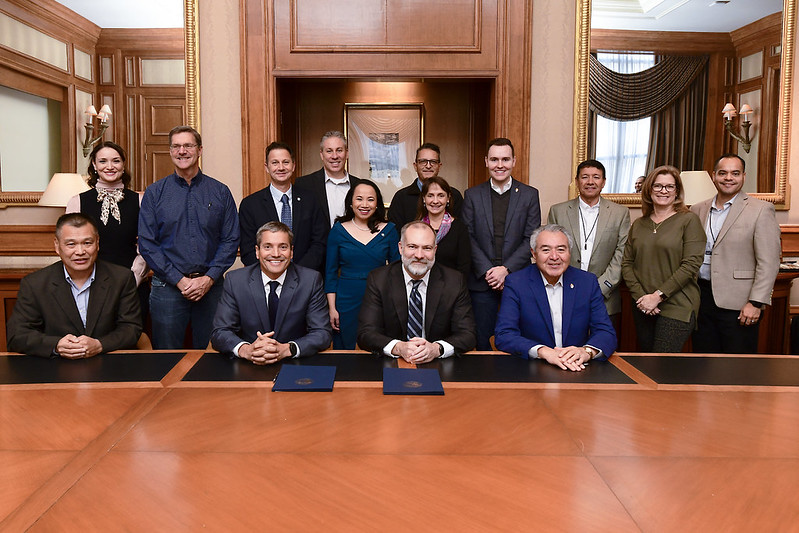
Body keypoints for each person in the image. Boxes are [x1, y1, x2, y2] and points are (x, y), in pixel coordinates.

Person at [138, 125, 240, 349]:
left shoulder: (220, 192)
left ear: (200, 150)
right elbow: (147, 244)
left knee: (214, 354)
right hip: (168, 287)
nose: (182, 151)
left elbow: (231, 240)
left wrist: (209, 278)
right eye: (176, 146)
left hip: (211, 287)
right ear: (170, 151)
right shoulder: (155, 193)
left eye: (188, 145)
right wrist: (180, 280)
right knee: (166, 357)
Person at [7, 213, 142, 358]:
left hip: (109, 365)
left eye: (87, 243)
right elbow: (17, 334)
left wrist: (100, 344)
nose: (80, 252)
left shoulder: (121, 278)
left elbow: (131, 328)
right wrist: (56, 345)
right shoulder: (35, 284)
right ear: (57, 246)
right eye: (71, 244)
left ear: (97, 243)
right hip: (54, 368)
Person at [690, 154, 781, 353]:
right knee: (701, 365)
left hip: (740, 304)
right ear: (714, 176)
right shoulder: (697, 209)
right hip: (701, 299)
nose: (728, 178)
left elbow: (769, 262)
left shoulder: (761, 210)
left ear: (743, 176)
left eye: (735, 173)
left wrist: (756, 303)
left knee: (737, 369)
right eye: (722, 173)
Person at [494, 224, 616, 371]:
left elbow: (606, 332)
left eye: (561, 249)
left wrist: (586, 352)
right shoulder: (516, 283)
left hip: (577, 369)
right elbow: (504, 335)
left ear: (569, 252)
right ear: (533, 253)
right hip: (532, 369)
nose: (554, 257)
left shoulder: (587, 282)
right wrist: (543, 351)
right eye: (546, 250)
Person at [211, 222, 332, 364]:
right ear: (257, 251)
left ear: (291, 251)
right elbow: (220, 332)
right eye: (268, 247)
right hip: (249, 364)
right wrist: (246, 350)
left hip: (295, 364)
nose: (275, 254)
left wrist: (287, 349)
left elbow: (322, 333)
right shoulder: (235, 281)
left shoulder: (310, 280)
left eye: (283, 247)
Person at [462, 137, 541, 350]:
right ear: (486, 161)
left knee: (520, 340)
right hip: (481, 281)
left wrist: (506, 269)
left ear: (514, 161)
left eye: (505, 159)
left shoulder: (529, 195)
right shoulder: (472, 195)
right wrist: (490, 271)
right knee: (481, 342)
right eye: (494, 159)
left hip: (518, 279)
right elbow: (467, 237)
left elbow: (531, 239)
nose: (500, 165)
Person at [357, 221, 476, 362]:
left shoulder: (454, 281)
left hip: (439, 364)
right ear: (401, 248)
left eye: (427, 248)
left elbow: (468, 334)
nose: (419, 255)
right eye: (412, 247)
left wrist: (436, 349)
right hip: (391, 363)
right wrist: (399, 347)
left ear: (435, 250)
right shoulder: (379, 279)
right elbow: (366, 333)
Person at [621, 165, 705, 352]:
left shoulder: (689, 221)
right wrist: (642, 297)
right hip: (642, 304)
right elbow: (627, 263)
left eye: (669, 187)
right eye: (657, 186)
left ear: (677, 192)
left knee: (661, 364)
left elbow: (691, 265)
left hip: (677, 305)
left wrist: (658, 296)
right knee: (647, 364)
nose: (663, 191)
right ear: (649, 189)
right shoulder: (639, 224)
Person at [66, 141, 149, 321]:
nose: (110, 166)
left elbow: (149, 243)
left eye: (116, 161)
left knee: (133, 340)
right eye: (103, 161)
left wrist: (133, 278)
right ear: (94, 165)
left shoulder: (141, 200)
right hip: (90, 285)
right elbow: (71, 246)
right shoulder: (77, 202)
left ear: (123, 164)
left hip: (132, 282)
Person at [547, 159, 630, 324]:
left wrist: (599, 288)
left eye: (596, 177)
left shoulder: (619, 213)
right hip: (566, 296)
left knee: (602, 348)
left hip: (605, 298)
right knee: (568, 349)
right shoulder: (558, 211)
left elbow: (622, 254)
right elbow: (551, 252)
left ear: (603, 182)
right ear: (577, 181)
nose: (590, 182)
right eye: (585, 177)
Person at [325, 180, 400, 349]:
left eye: (370, 199)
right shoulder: (338, 230)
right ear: (351, 202)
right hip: (346, 299)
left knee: (378, 346)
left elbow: (397, 272)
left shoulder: (389, 230)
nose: (364, 204)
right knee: (346, 349)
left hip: (380, 297)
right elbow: (330, 273)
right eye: (359, 199)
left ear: (377, 203)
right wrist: (332, 308)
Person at [238, 142, 327, 272]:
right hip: (265, 280)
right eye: (275, 163)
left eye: (286, 162)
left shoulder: (310, 200)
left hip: (305, 277)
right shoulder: (250, 205)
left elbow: (319, 243)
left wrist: (298, 272)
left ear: (293, 166)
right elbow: (248, 250)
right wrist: (272, 272)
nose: (281, 168)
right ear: (267, 167)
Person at [388, 143, 464, 228]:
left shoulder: (454, 195)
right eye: (423, 161)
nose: (428, 166)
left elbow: (461, 230)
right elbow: (395, 233)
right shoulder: (401, 197)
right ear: (415, 166)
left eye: (433, 162)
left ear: (439, 166)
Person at [295, 131, 362, 228]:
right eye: (329, 151)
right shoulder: (304, 184)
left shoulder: (359, 185)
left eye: (339, 150)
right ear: (322, 155)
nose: (334, 156)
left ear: (347, 154)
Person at [414, 176, 471, 277]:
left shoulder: (460, 228)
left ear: (448, 198)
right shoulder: (415, 228)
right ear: (424, 198)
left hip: (450, 287)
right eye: (430, 196)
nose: (435, 201)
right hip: (419, 286)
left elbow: (464, 267)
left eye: (441, 196)